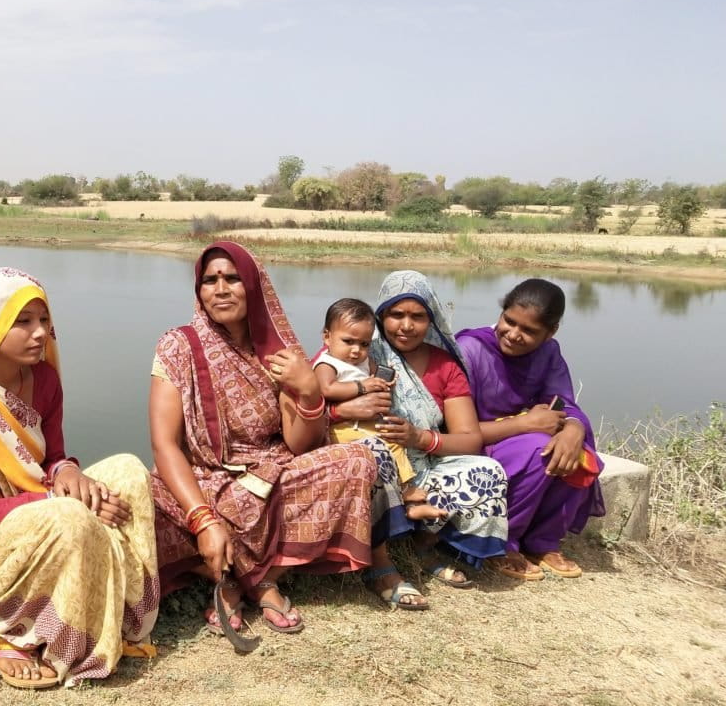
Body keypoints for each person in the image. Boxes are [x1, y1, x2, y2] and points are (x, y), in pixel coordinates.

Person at [0, 267, 158, 689]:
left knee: (128, 472)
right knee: (71, 518)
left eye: (44, 321)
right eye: (23, 322)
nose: (39, 333)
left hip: (35, 501)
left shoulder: (44, 379)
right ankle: (8, 633)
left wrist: (70, 473)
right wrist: (58, 501)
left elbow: (53, 458)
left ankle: (122, 613)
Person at [149, 241, 377, 635]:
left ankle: (245, 576)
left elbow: (300, 445)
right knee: (137, 495)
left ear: (254, 285)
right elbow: (165, 445)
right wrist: (203, 519)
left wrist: (309, 392)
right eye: (209, 280)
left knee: (357, 460)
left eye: (233, 278)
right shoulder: (178, 346)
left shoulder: (277, 351)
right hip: (203, 480)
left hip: (269, 476)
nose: (220, 289)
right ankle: (260, 578)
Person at [367, 271, 510, 590]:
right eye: (397, 315)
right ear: (381, 315)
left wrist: (420, 438)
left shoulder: (445, 366)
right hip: (377, 465)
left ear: (431, 320)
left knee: (487, 472)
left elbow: (470, 439)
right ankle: (379, 557)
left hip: (426, 465)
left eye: (418, 316)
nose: (407, 326)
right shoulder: (360, 353)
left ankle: (424, 546)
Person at [457, 278, 604, 580]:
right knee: (539, 450)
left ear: (551, 332)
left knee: (577, 454)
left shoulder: (548, 353)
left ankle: (542, 542)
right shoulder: (471, 349)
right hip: (478, 444)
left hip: (523, 441)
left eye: (529, 331)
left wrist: (574, 428)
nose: (513, 334)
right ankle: (501, 542)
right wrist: (523, 423)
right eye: (509, 321)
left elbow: (562, 402)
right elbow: (457, 431)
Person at [312, 297, 446, 523]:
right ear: (327, 336)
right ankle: (401, 503)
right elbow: (326, 389)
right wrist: (361, 386)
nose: (356, 351)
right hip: (344, 428)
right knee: (379, 450)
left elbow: (378, 374)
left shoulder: (363, 361)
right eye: (348, 341)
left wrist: (384, 380)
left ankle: (408, 495)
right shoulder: (327, 364)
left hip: (367, 426)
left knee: (394, 444)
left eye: (364, 344)